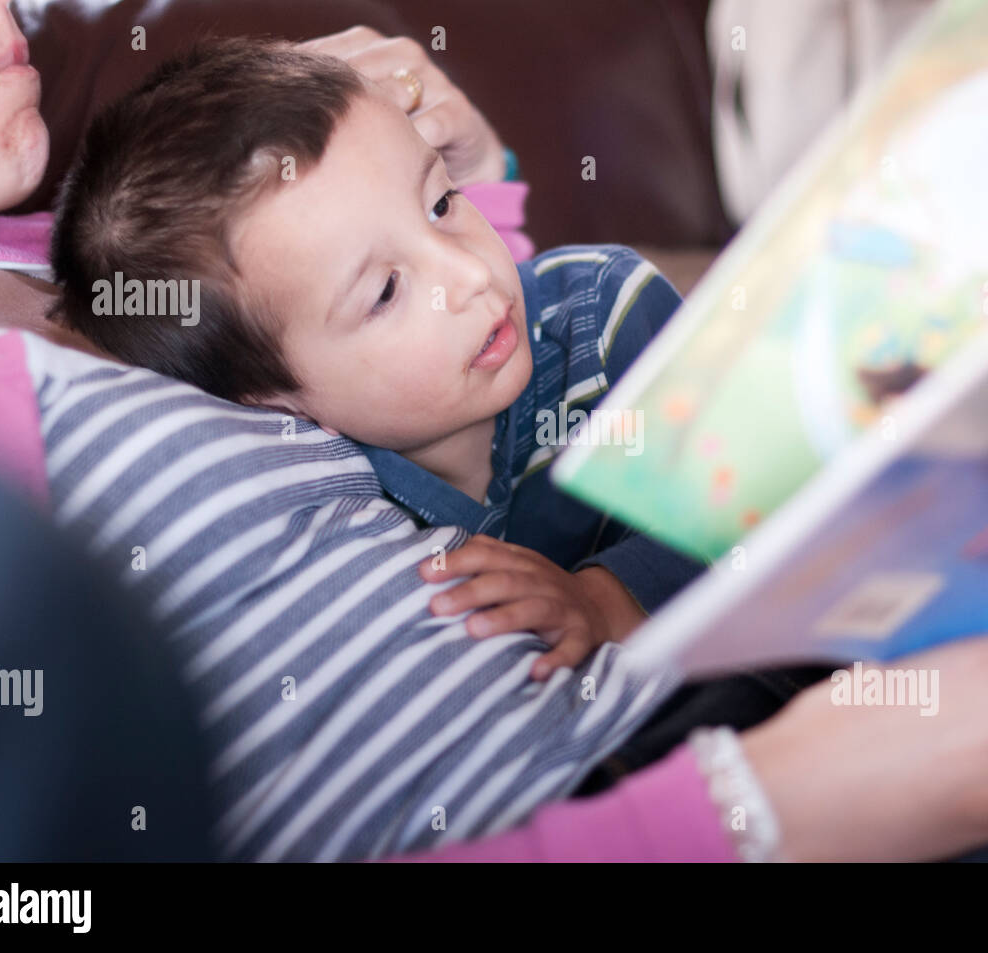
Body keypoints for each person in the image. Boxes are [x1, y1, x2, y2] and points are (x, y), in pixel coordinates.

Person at [0, 1, 988, 863]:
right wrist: (759, 809)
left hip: (745, 677)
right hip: (693, 785)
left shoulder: (73, 232)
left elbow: (540, 386)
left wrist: (459, 189)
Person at [49, 38, 707, 682]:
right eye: (387, 291)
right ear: (279, 404)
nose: (470, 271)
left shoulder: (608, 316)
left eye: (442, 203)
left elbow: (761, 493)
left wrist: (603, 599)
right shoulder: (341, 516)